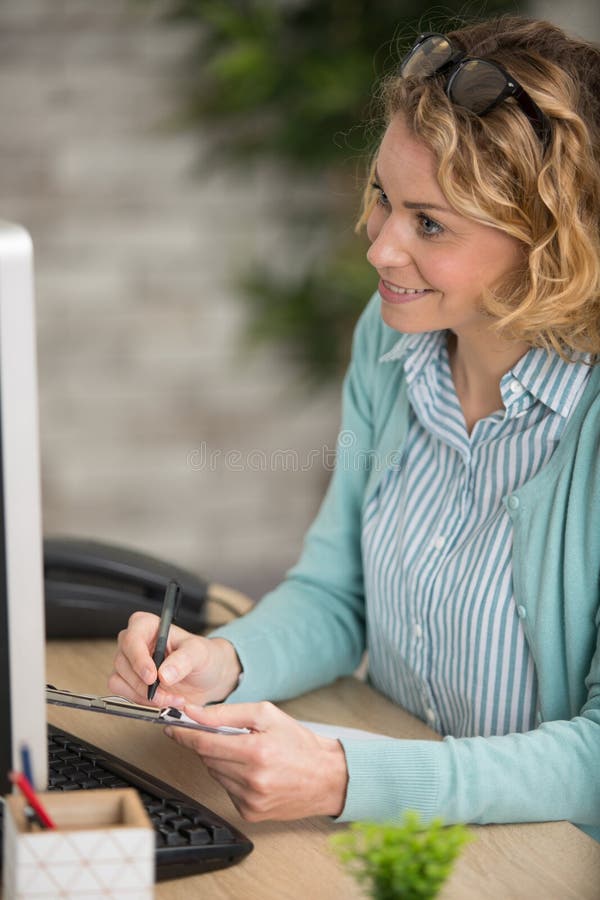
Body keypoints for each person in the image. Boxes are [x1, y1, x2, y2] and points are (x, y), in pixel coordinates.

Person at [109, 15, 600, 839]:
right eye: (384, 198)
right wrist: (221, 661)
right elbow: (340, 599)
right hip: (409, 843)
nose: (380, 249)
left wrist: (345, 775)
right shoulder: (389, 342)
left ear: (549, 244)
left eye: (429, 223)